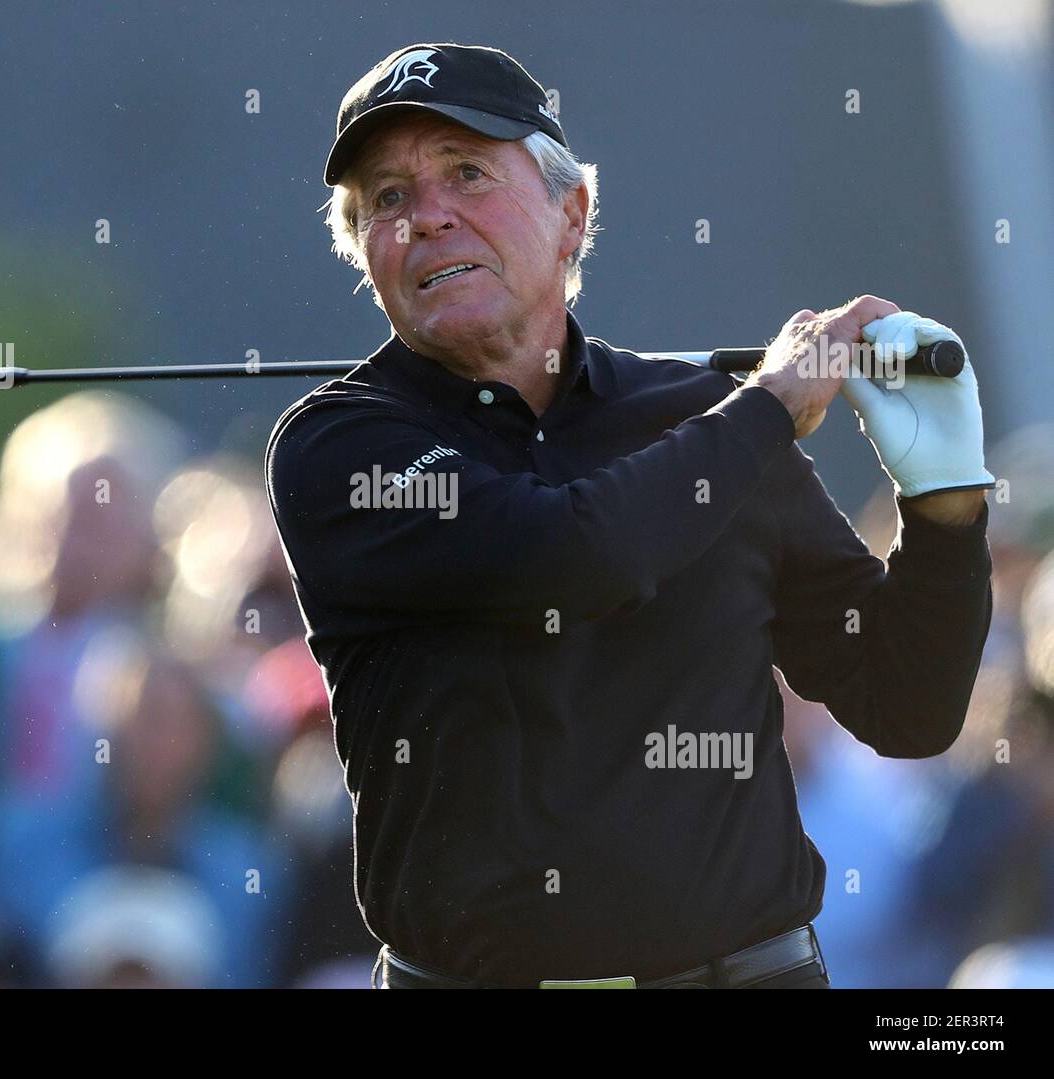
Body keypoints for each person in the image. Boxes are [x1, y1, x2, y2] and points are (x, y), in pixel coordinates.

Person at [265, 42, 995, 988]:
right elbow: (566, 557)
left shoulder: (704, 417)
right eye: (388, 199)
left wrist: (945, 511)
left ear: (572, 215)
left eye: (467, 172)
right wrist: (769, 411)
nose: (428, 215)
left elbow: (904, 705)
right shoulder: (341, 446)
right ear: (365, 252)